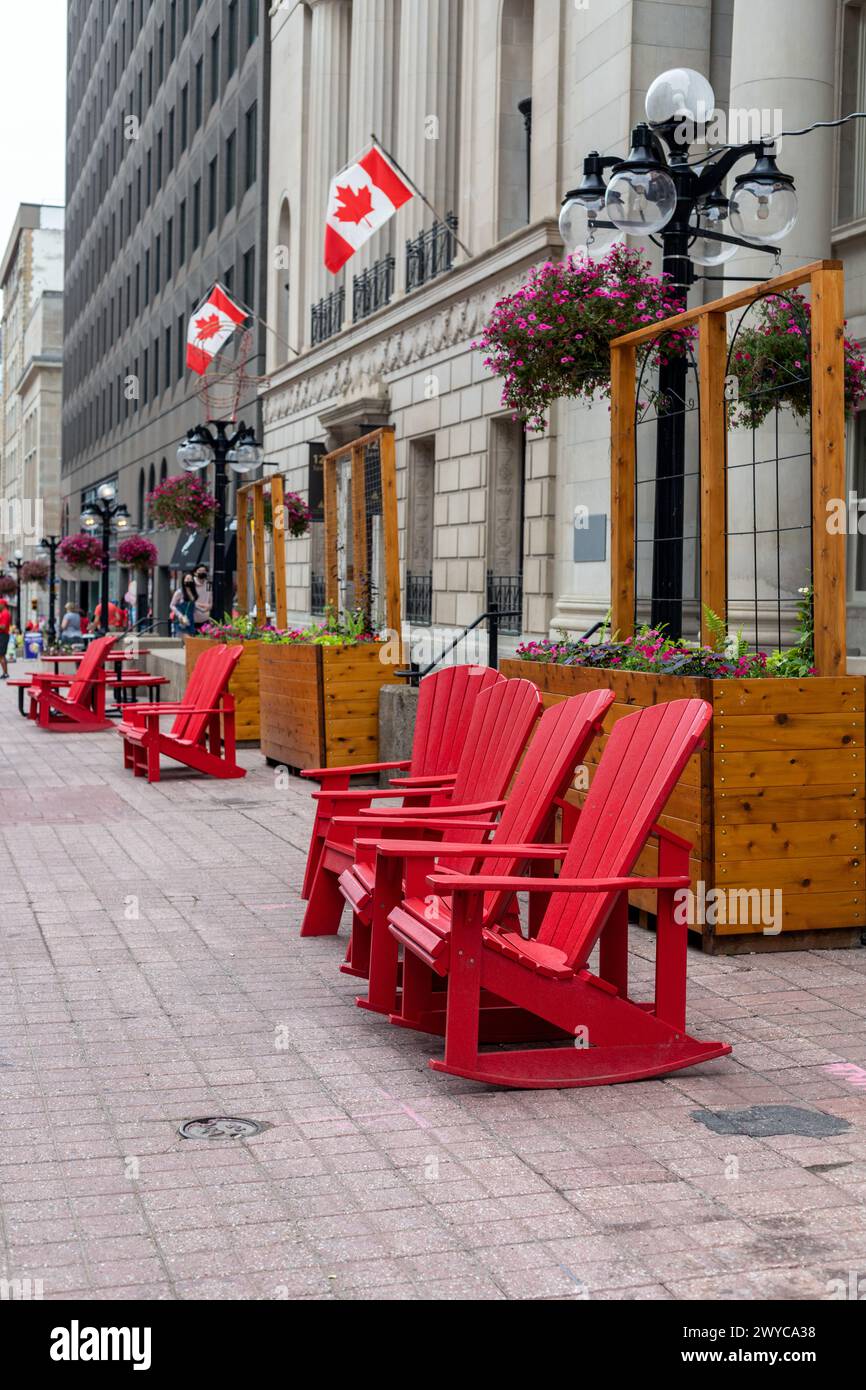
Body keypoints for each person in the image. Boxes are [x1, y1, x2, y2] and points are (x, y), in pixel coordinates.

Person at [0, 597, 10, 679]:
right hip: (2, 635)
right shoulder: (3, 613)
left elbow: (3, 626)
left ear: (3, 604)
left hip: (3, 635)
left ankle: (5, 673)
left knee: (1, 655)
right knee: (1, 655)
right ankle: (5, 672)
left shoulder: (5, 613)